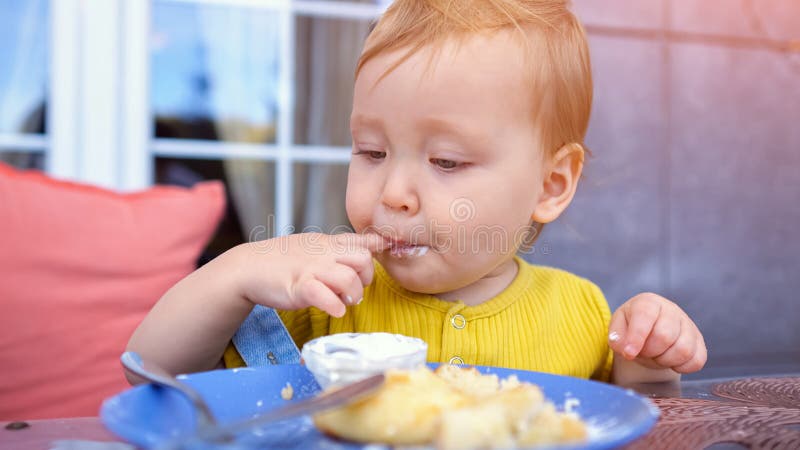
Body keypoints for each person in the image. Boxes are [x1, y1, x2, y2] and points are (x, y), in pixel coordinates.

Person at [127, 0, 706, 386]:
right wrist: (240, 269)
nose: (395, 192)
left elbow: (639, 416)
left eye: (447, 161)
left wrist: (647, 360)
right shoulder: (330, 296)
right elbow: (148, 370)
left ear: (550, 186)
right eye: (372, 153)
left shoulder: (582, 314)